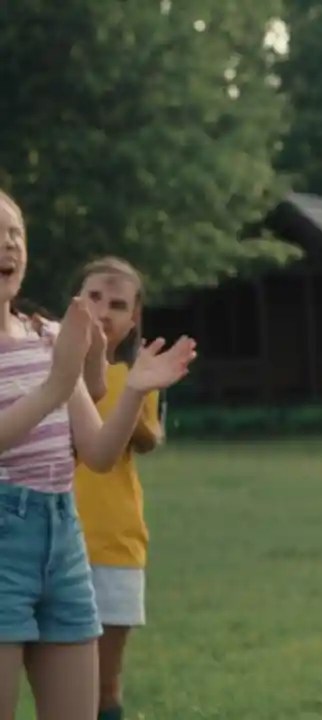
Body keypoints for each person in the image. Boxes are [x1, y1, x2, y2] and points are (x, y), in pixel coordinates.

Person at [0, 189, 195, 719]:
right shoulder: (58, 361)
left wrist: (133, 390)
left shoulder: (47, 338)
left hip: (63, 541)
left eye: (15, 233)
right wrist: (55, 386)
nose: (8, 245)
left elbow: (98, 452)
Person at [71, 257, 165, 720]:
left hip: (114, 543)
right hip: (45, 544)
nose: (103, 311)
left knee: (104, 685)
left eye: (117, 305)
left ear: (133, 321)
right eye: (93, 298)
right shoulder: (44, 368)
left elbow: (148, 440)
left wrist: (133, 402)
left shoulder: (136, 378)